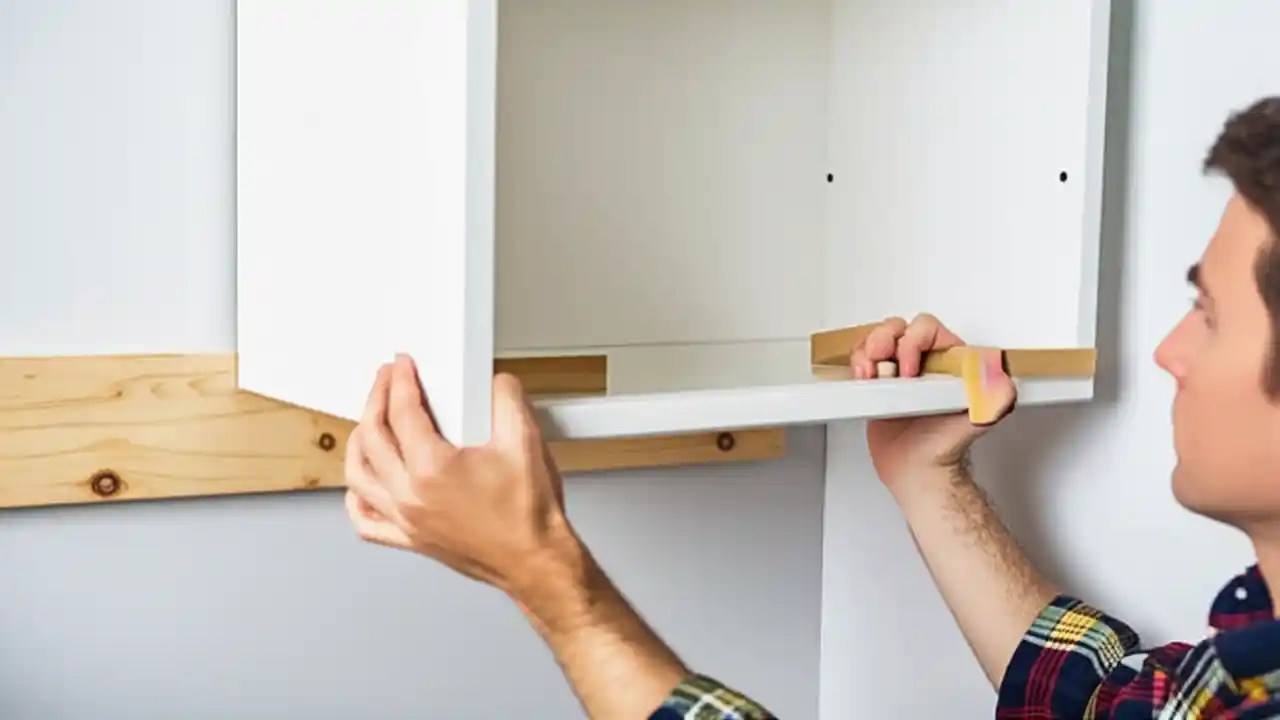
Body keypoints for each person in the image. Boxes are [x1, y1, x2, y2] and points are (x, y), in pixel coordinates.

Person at [341, 95, 1280, 719]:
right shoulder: (1249, 670)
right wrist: (929, 478)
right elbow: (1111, 704)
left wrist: (556, 587)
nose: (1169, 351)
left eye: (1209, 313)